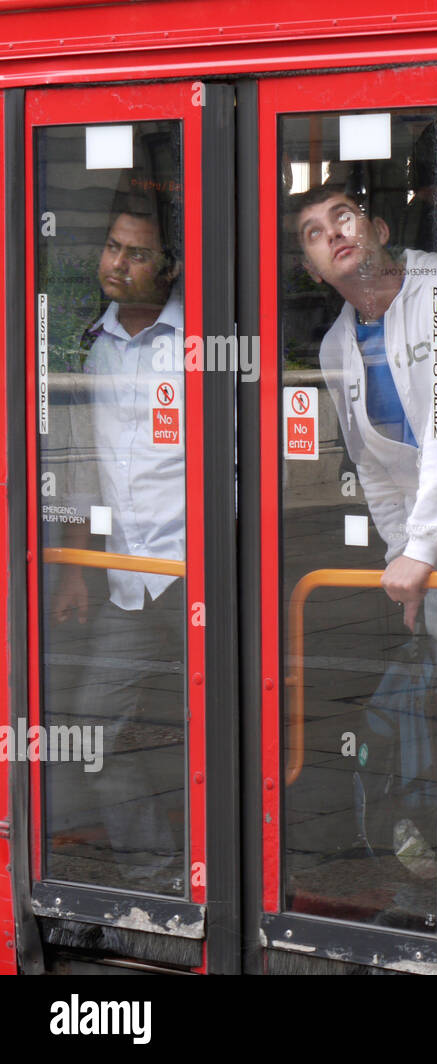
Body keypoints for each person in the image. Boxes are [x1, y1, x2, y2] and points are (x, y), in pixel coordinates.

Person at [50, 202, 187, 892]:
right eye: (111, 247)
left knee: (227, 725)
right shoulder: (95, 345)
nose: (116, 263)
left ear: (168, 267)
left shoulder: (198, 342)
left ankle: (234, 870)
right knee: (96, 728)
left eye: (136, 253)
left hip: (197, 571)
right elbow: (84, 465)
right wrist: (78, 568)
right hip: (126, 575)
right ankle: (155, 872)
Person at [291, 184, 437, 627]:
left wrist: (420, 548)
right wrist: (401, 555)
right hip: (429, 553)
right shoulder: (336, 347)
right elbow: (371, 465)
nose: (333, 234)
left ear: (380, 229)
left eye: (342, 216)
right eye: (314, 233)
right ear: (313, 271)